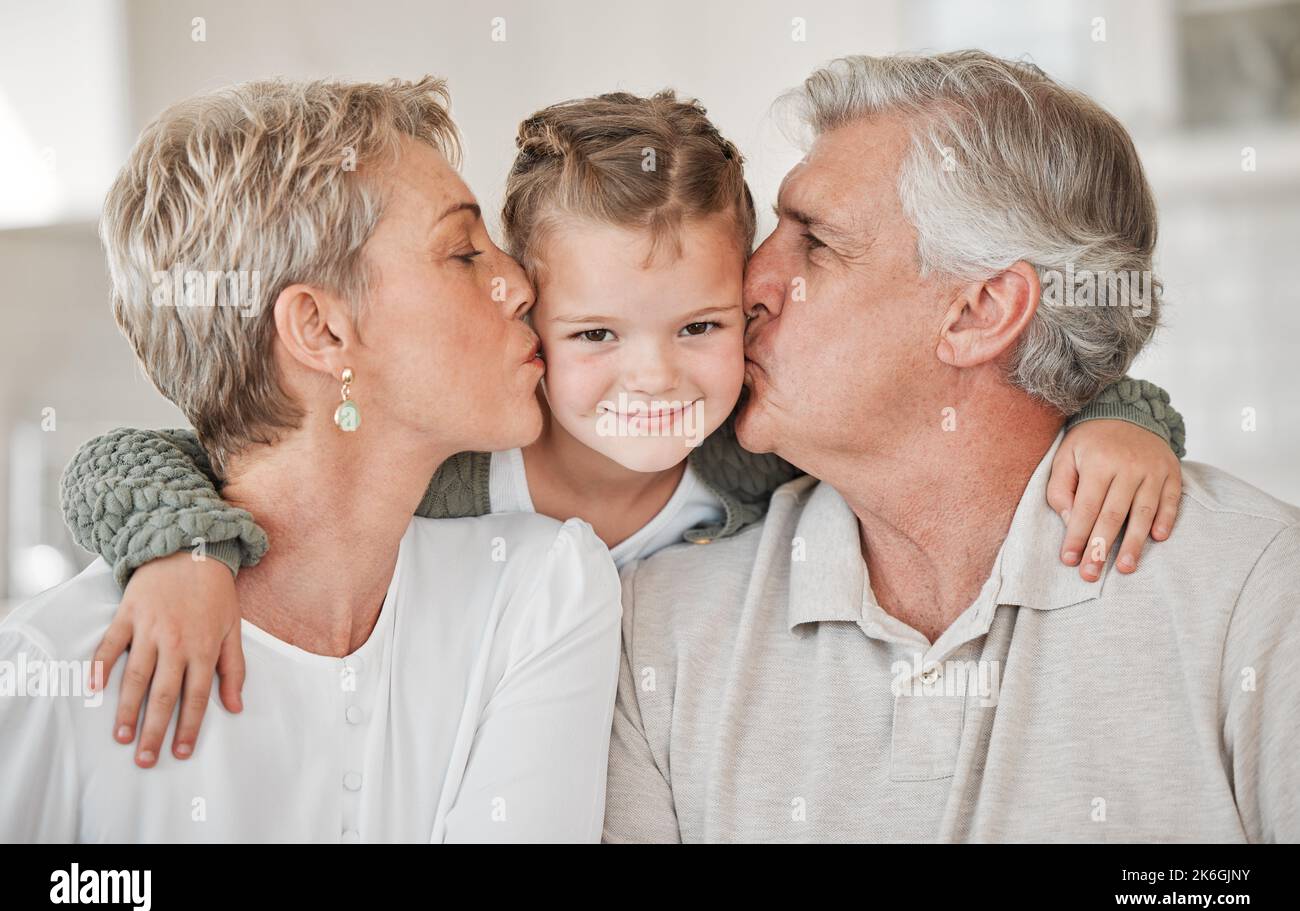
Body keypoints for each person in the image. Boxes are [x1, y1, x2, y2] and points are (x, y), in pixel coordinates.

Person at [58, 91, 1185, 772]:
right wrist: (186, 550)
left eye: (698, 324)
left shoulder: (752, 451)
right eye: (592, 334)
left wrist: (1124, 421)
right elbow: (160, 450)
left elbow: (990, 415)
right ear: (529, 318)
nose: (652, 377)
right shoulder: (449, 474)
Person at [602, 51, 1300, 843]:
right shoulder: (657, 623)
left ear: (978, 311)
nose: (744, 283)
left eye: (815, 243)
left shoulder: (1262, 596)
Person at [0, 76, 620, 843]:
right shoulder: (54, 672)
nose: (521, 284)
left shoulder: (540, 593)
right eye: (463, 252)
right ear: (322, 331)